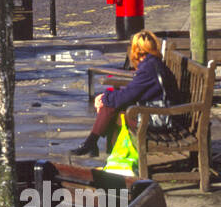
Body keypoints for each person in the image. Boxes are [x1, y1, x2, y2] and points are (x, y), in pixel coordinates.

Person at [71, 29, 180, 157]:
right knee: (110, 105)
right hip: (157, 111)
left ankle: (93, 145)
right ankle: (92, 144)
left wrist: (103, 98)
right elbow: (132, 93)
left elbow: (127, 96)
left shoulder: (148, 69)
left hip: (159, 119)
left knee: (110, 106)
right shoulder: (153, 64)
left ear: (137, 49)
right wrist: (107, 97)